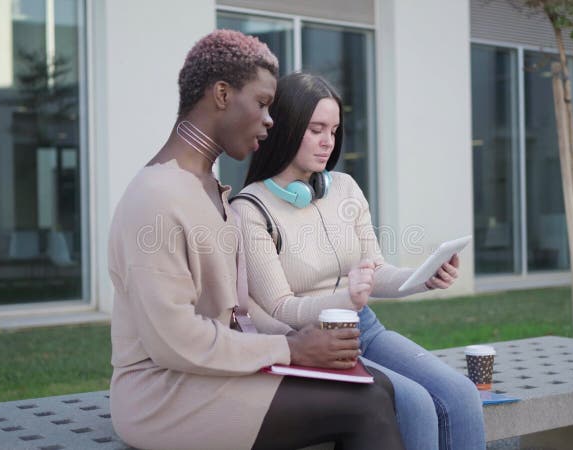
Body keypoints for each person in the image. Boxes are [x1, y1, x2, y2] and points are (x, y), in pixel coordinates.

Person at [108, 31, 405, 450]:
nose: (270, 119)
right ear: (223, 95)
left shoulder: (209, 186)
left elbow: (236, 315)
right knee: (364, 404)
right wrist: (291, 349)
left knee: (377, 386)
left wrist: (305, 339)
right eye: (263, 104)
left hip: (212, 372)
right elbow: (173, 342)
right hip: (164, 394)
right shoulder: (155, 197)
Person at [231, 72, 486, 450]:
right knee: (413, 403)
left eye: (333, 130)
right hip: (313, 341)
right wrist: (345, 300)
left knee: (460, 393)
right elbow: (281, 308)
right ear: (286, 128)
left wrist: (424, 278)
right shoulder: (250, 209)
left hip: (365, 328)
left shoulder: (345, 188)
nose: (327, 142)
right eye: (316, 129)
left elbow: (374, 271)